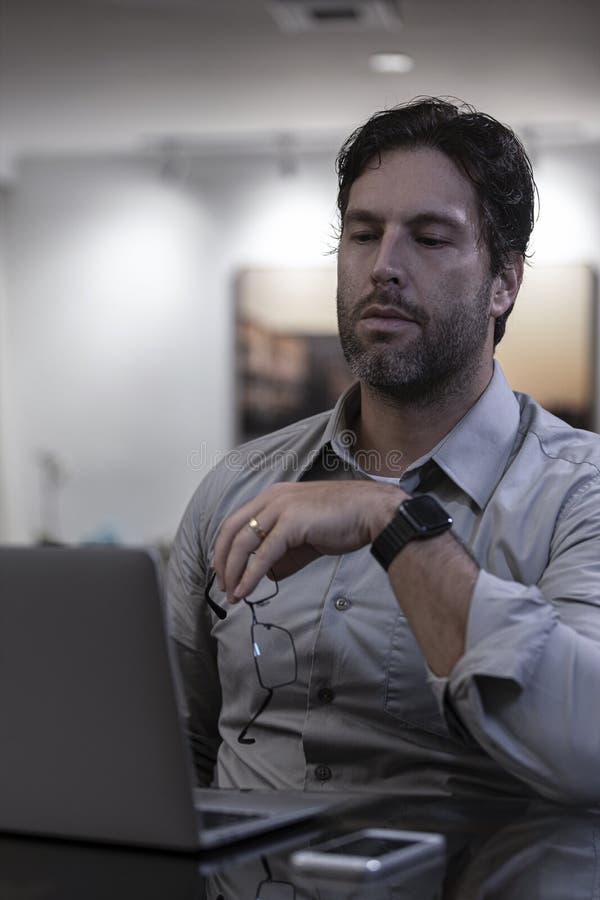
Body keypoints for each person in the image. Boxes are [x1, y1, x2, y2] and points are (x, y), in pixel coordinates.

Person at [167, 97, 600, 804]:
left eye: (430, 238)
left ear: (505, 283)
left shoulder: (581, 493)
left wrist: (392, 521)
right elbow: (178, 746)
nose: (384, 267)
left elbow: (590, 748)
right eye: (364, 234)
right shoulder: (237, 487)